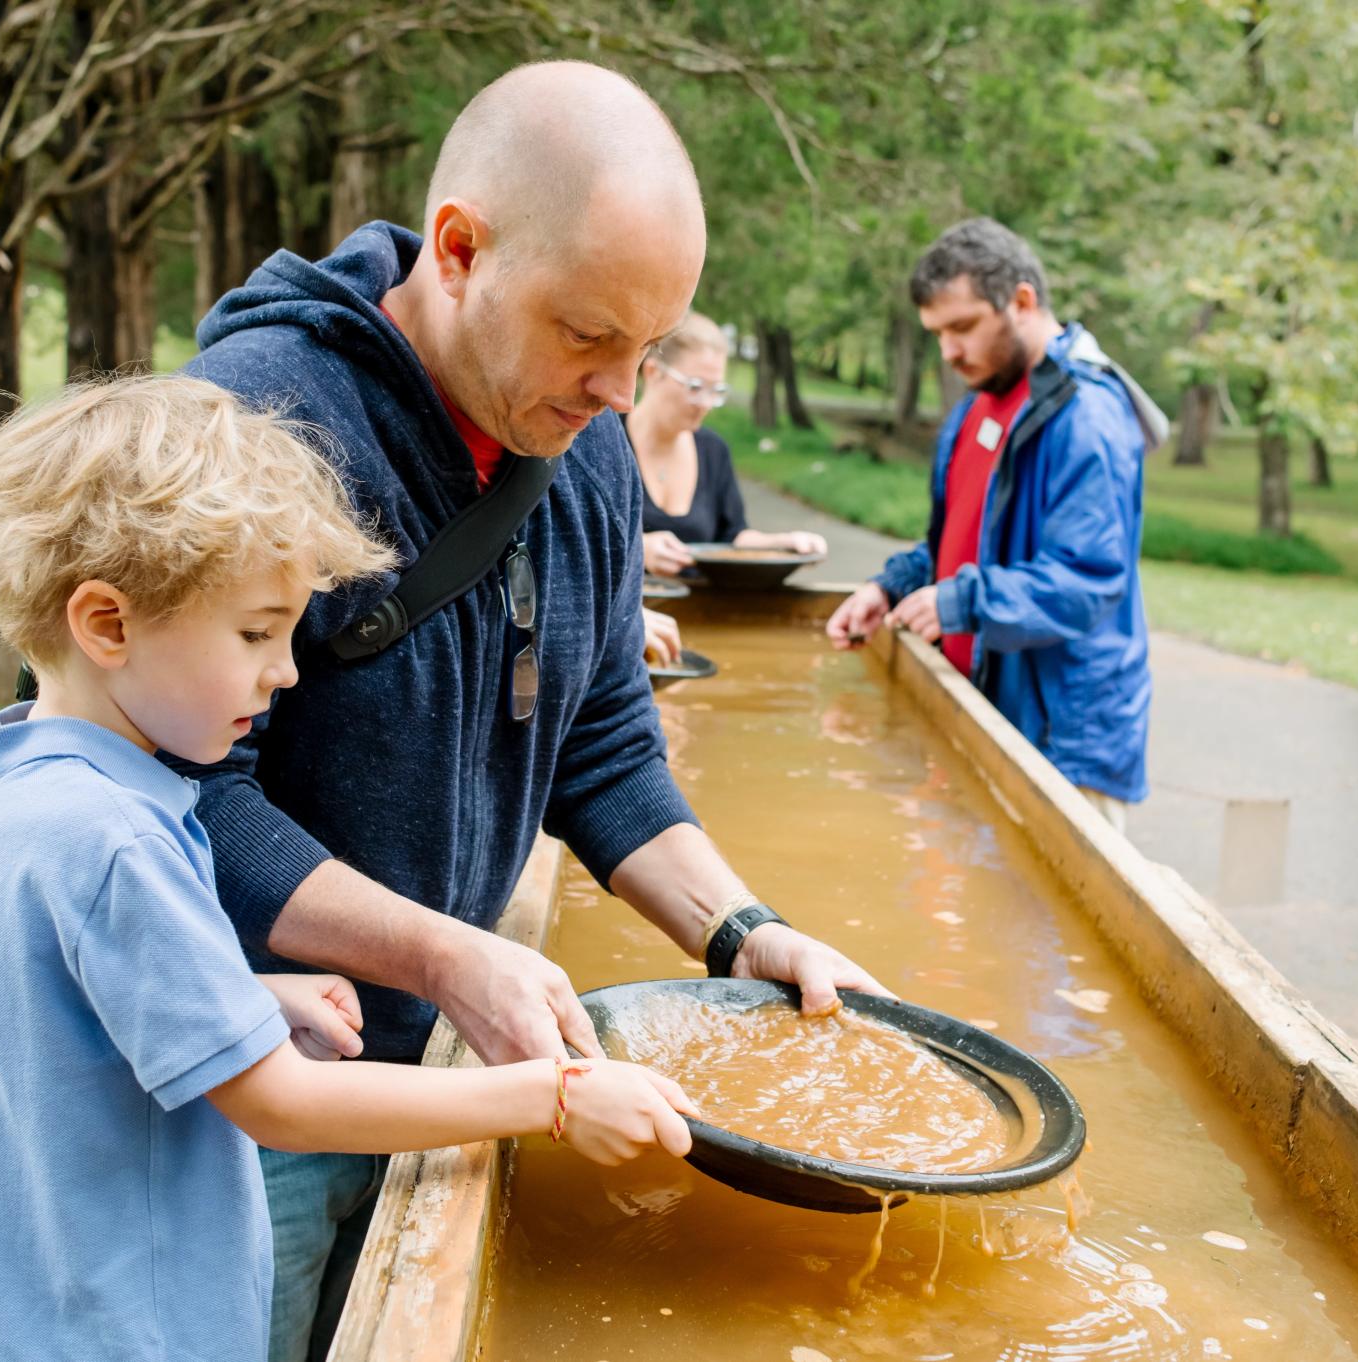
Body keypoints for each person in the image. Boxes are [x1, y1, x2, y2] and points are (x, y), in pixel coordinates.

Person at [180, 62, 889, 1362]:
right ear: (458, 249)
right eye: (588, 335)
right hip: (246, 1082)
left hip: (446, 1063)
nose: (620, 391)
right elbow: (180, 796)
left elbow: (603, 736)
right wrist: (450, 954)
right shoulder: (258, 420)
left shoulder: (590, 448)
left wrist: (742, 932)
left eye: (648, 349)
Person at [0, 375, 698, 1362]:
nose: (285, 673)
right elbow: (284, 1103)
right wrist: (557, 1094)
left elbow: (75, 998)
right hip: (123, 1330)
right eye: (254, 634)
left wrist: (236, 997)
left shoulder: (37, 783)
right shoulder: (115, 839)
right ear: (106, 625)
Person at [826, 218, 1164, 829]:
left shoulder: (1087, 417)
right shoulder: (974, 410)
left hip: (1062, 747)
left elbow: (1087, 581)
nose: (950, 352)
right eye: (937, 334)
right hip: (980, 713)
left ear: (1023, 301)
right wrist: (889, 588)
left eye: (962, 327)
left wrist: (959, 604)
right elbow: (956, 545)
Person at [625, 311, 828, 578]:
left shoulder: (713, 450)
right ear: (652, 372)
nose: (707, 404)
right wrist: (638, 550)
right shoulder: (605, 442)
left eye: (716, 391)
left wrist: (784, 543)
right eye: (695, 387)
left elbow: (732, 537)